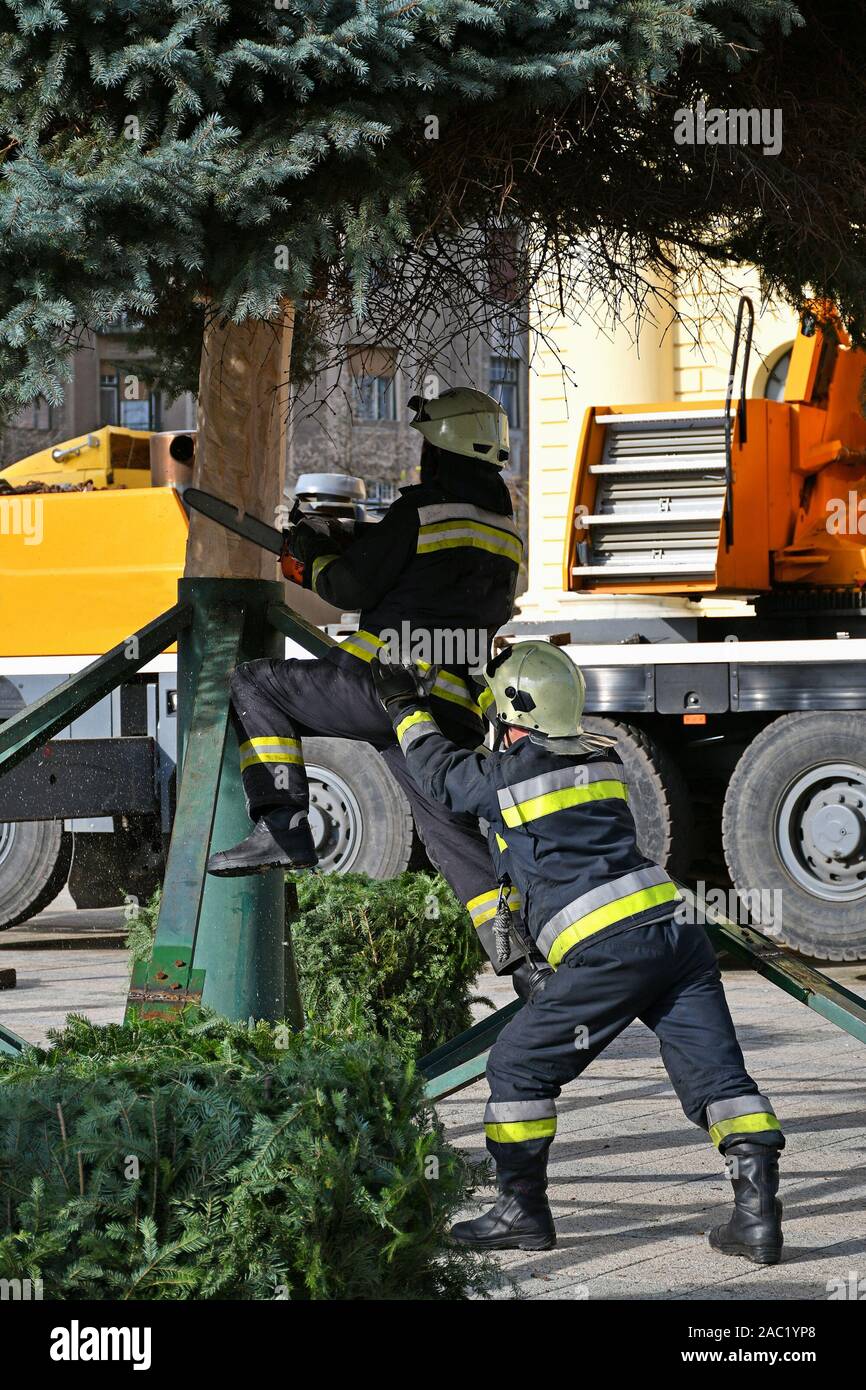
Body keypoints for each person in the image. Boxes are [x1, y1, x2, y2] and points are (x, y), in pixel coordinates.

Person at [371, 640, 785, 1261]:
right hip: (678, 939)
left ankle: (522, 1213)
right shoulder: (604, 757)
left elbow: (438, 777)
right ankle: (757, 1220)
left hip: (611, 952)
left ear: (511, 717)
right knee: (720, 1078)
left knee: (516, 1066)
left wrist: (404, 704)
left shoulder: (512, 774)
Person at [206, 387, 532, 978]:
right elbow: (438, 585)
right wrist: (362, 547)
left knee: (256, 684)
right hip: (449, 713)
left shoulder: (421, 509)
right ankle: (523, 959)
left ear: (441, 447)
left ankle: (282, 826)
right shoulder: (506, 528)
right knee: (452, 836)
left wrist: (312, 560)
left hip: (381, 688)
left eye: (427, 443)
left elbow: (353, 588)